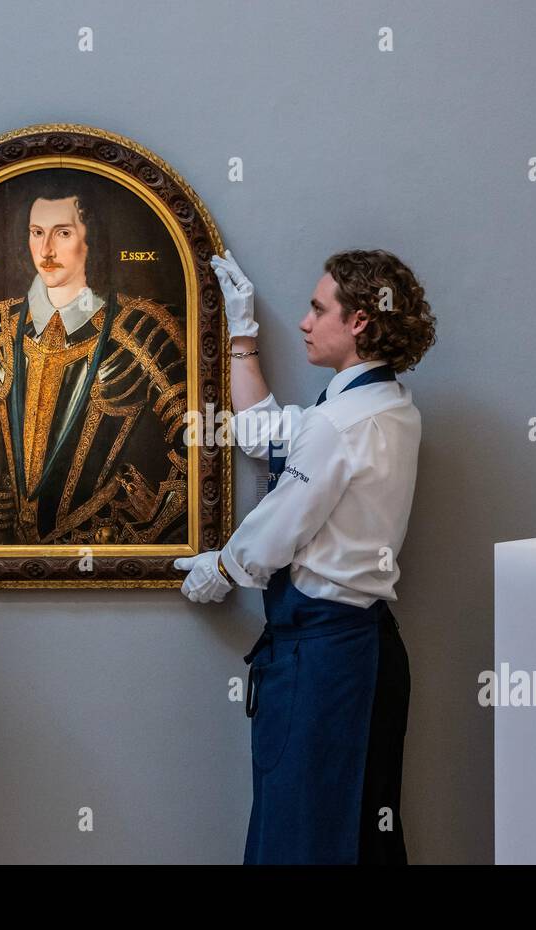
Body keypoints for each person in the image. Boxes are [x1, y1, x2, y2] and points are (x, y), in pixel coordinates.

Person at [175, 248, 437, 864]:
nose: (303, 321)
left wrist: (219, 570)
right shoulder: (389, 407)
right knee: (361, 837)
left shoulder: (338, 424)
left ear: (360, 323)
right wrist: (242, 332)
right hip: (368, 650)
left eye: (318, 309)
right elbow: (263, 431)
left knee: (301, 837)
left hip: (320, 657)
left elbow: (275, 532)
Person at [0, 171, 188, 545]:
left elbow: (198, 442)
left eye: (62, 233)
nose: (46, 250)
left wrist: (149, 528)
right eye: (37, 232)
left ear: (91, 239)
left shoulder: (143, 331)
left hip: (101, 542)